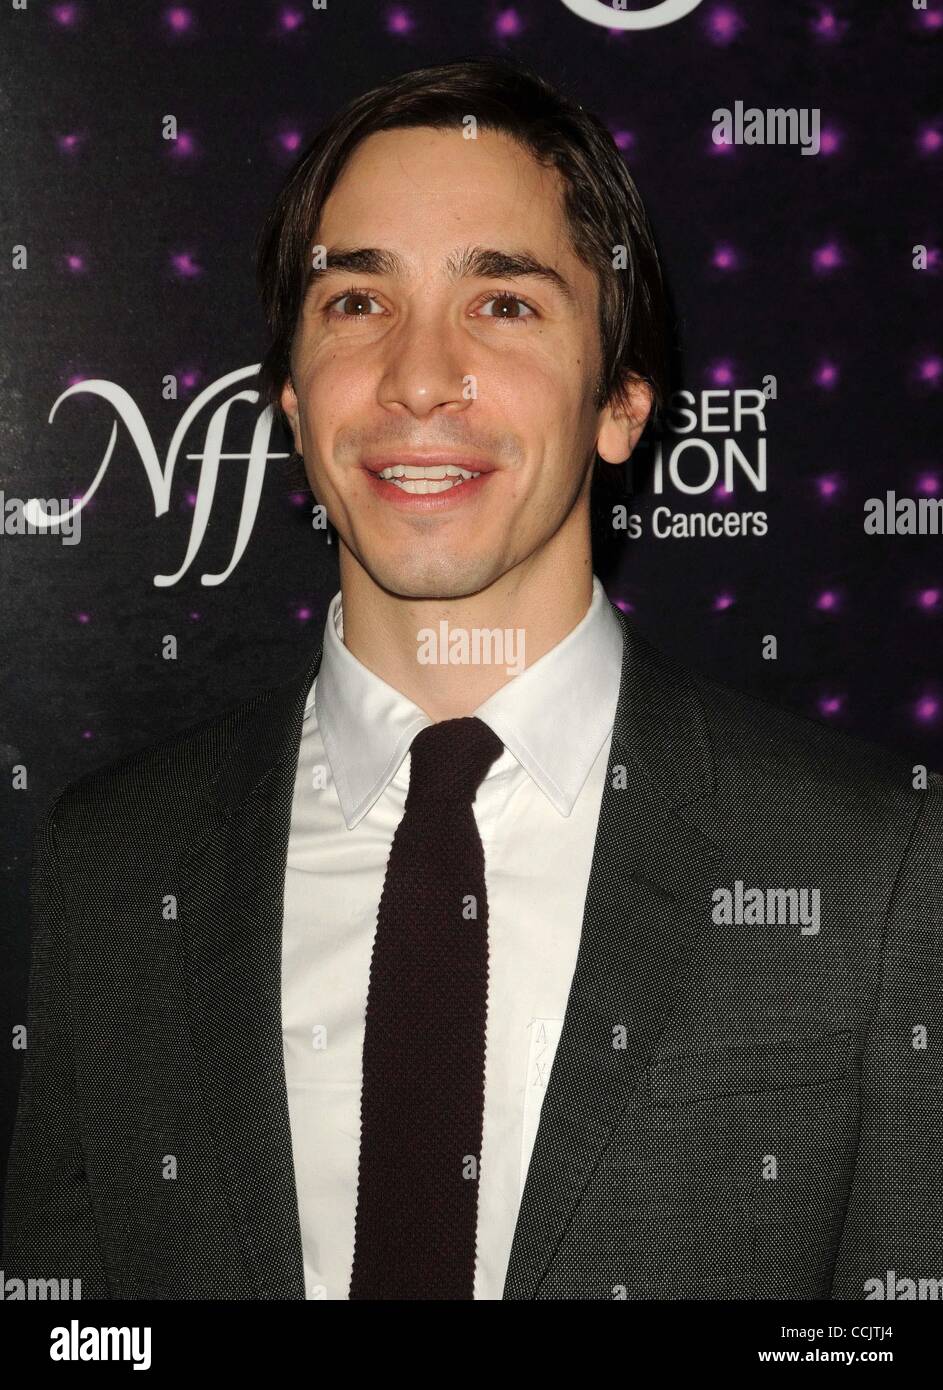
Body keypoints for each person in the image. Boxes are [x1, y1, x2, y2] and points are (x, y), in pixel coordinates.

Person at [4, 58, 941, 1301]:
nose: (415, 376)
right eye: (354, 303)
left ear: (620, 401)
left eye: (502, 303)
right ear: (288, 396)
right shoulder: (115, 868)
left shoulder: (867, 873)